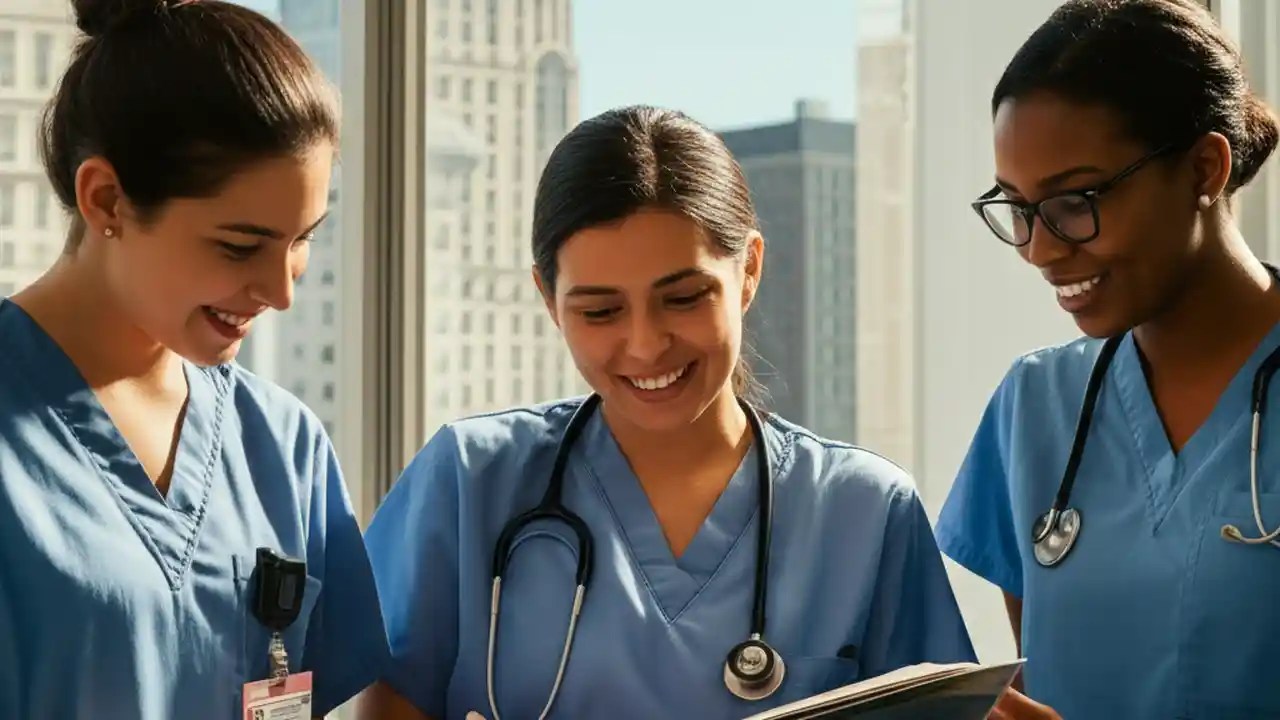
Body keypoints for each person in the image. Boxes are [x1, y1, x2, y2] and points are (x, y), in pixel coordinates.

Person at [356, 105, 976, 720]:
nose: (647, 345)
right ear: (548, 299)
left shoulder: (863, 510)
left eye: (683, 298)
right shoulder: (468, 481)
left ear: (749, 269)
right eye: (600, 312)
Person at [0, 1, 389, 718]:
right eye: (240, 246)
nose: (279, 291)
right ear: (106, 198)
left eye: (301, 241)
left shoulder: (284, 446)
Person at [933, 1, 1280, 719]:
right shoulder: (1035, 409)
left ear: (1204, 169)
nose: (1041, 248)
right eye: (1018, 207)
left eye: (1075, 200)